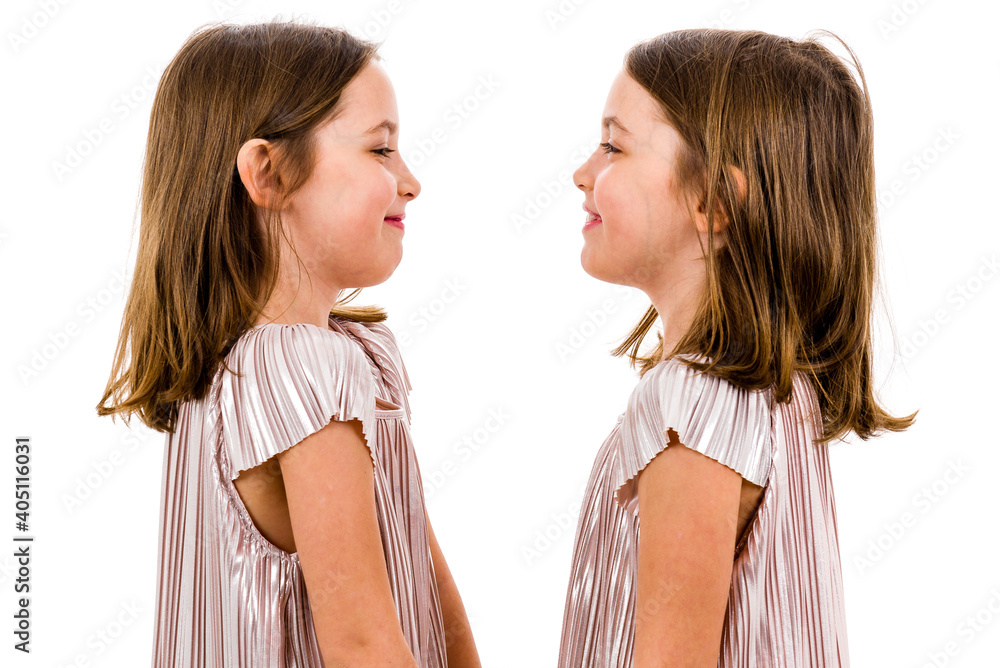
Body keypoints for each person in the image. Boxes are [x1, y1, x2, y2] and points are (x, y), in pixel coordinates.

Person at [96, 20, 480, 667]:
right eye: (381, 151)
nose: (411, 180)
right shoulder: (297, 367)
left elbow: (428, 585)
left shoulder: (325, 357)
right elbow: (361, 645)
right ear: (267, 174)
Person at [558, 28, 917, 667]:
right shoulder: (776, 394)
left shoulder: (688, 404)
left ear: (715, 200)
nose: (582, 172)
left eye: (613, 146)